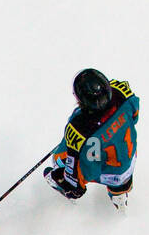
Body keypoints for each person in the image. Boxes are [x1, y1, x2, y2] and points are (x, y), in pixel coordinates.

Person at [44, 68, 139, 209]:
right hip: (129, 163)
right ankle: (119, 195)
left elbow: (79, 178)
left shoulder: (79, 128)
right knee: (116, 163)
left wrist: (70, 185)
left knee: (58, 158)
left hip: (107, 172)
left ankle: (61, 185)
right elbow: (134, 115)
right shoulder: (123, 94)